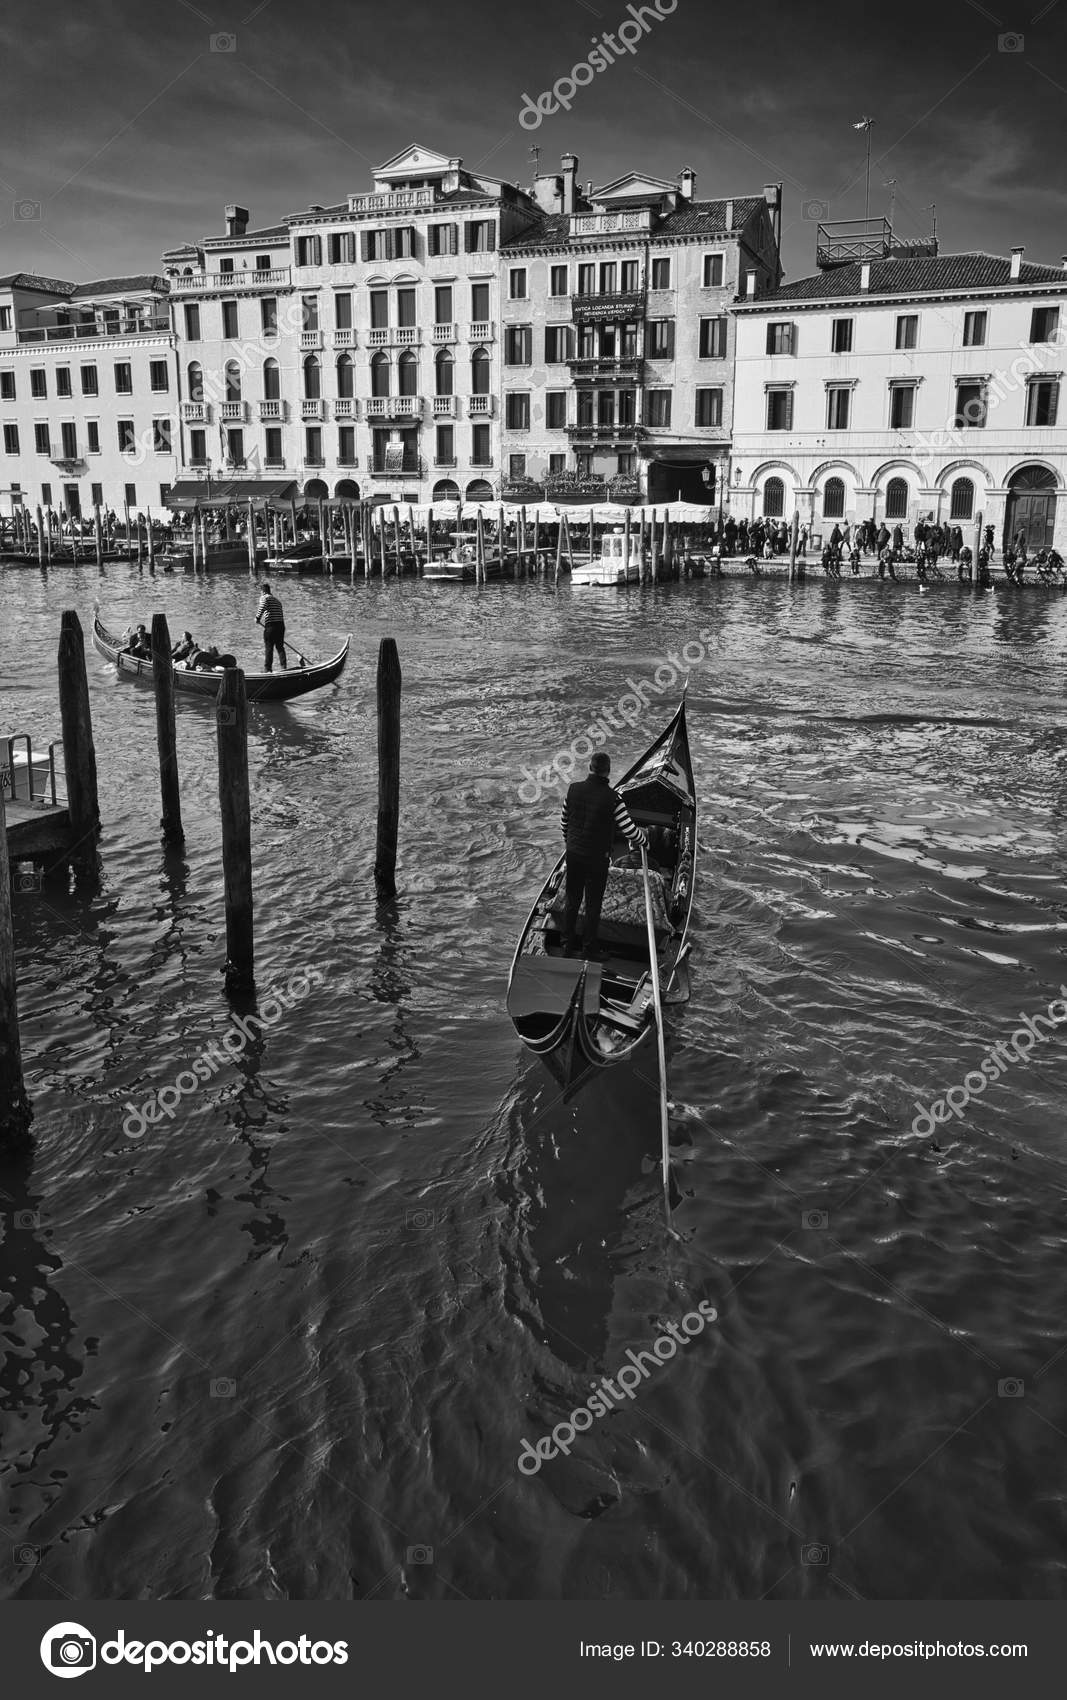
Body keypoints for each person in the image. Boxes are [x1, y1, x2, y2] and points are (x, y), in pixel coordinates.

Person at [560, 751, 648, 961]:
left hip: (573, 855)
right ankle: (589, 949)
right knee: (592, 904)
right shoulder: (614, 799)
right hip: (596, 860)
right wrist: (644, 841)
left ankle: (566, 946)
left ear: (589, 768)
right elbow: (629, 831)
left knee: (571, 901)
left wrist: (570, 843)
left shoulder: (573, 790)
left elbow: (564, 823)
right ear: (608, 772)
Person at [256, 581, 287, 672]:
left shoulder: (265, 597)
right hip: (281, 626)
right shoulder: (277, 601)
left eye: (261, 592)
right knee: (280, 647)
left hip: (271, 626)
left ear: (263, 591)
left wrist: (257, 618)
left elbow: (262, 607)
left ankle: (267, 669)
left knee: (269, 647)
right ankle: (283, 666)